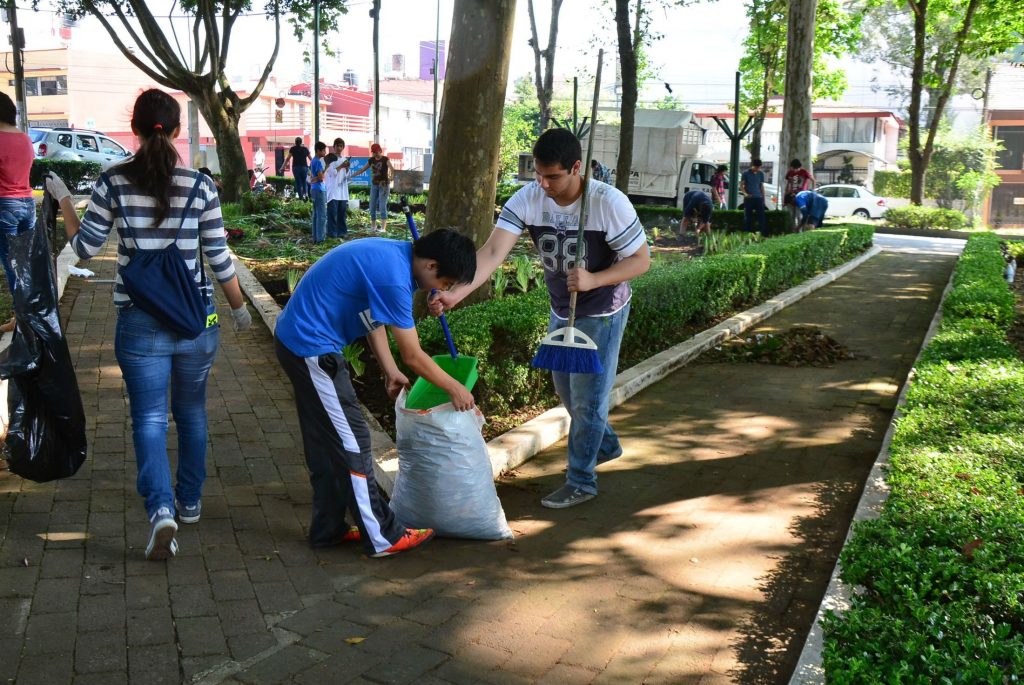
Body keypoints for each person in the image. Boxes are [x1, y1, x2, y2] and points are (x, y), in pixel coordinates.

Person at [46, 89, 253, 561]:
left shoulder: (113, 181)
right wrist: (239, 310)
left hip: (139, 321)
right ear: (176, 130)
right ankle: (191, 501)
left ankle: (161, 510)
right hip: (196, 321)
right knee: (192, 412)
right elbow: (219, 258)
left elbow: (84, 248)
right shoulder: (201, 186)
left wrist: (64, 201)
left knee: (149, 419)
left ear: (135, 129)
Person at [434, 128, 651, 509]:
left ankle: (581, 481)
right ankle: (605, 444)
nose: (544, 184)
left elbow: (641, 261)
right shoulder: (530, 198)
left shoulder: (607, 203)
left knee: (588, 401)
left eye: (553, 176)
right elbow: (492, 252)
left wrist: (594, 279)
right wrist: (456, 292)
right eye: (538, 174)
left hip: (604, 310)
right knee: (567, 392)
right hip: (561, 307)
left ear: (577, 168)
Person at [274, 229, 477, 556]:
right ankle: (383, 536)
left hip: (298, 341)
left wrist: (389, 369)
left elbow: (373, 318)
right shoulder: (394, 279)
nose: (442, 290)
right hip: (312, 349)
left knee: (326, 443)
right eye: (445, 282)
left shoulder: (395, 257)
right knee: (354, 442)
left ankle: (328, 529)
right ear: (431, 265)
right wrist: (455, 387)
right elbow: (414, 355)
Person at [0, 92, 36, 332]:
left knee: (12, 265)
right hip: (27, 204)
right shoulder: (25, 139)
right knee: (24, 263)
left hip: (5, 206)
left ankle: (23, 321)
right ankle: (25, 316)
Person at [352, 143, 394, 232]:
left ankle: (383, 228)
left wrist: (391, 178)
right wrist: (352, 175)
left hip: (384, 185)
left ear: (380, 151)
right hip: (374, 184)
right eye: (373, 152)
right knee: (372, 205)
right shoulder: (371, 160)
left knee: (382, 206)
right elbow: (362, 169)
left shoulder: (385, 159)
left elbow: (392, 169)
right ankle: (373, 226)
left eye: (376, 152)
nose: (375, 154)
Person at [326, 138, 351, 239]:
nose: (339, 148)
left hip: (343, 192)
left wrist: (347, 168)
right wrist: (342, 166)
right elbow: (332, 173)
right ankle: (332, 234)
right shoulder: (329, 159)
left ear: (343, 147)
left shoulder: (344, 159)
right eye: (337, 146)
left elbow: (347, 176)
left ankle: (342, 232)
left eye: (341, 146)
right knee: (332, 214)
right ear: (334, 147)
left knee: (342, 214)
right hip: (333, 191)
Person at [784, 159, 815, 229]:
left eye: (796, 168)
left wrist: (813, 191)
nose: (794, 170)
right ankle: (793, 229)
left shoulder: (804, 172)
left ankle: (801, 230)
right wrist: (785, 195)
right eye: (793, 168)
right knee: (791, 215)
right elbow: (788, 184)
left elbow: (813, 180)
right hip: (791, 196)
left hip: (801, 196)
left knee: (799, 215)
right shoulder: (790, 173)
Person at [740, 158, 767, 236]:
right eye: (756, 167)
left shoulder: (761, 174)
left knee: (761, 217)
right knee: (748, 217)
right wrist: (746, 194)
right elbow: (741, 185)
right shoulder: (745, 173)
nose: (758, 169)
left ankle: (761, 234)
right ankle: (748, 234)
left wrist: (763, 198)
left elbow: (761, 186)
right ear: (753, 166)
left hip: (758, 198)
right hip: (749, 199)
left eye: (759, 167)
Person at [309, 141, 327, 243]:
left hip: (314, 189)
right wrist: (326, 169)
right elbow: (321, 177)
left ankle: (315, 237)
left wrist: (313, 179)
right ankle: (320, 239)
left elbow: (314, 178)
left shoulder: (313, 161)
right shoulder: (318, 162)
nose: (325, 152)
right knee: (322, 215)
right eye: (323, 150)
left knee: (316, 214)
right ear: (318, 151)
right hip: (320, 189)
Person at [286, 136, 312, 201]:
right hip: (304, 167)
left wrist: (282, 167)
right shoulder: (305, 149)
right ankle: (306, 195)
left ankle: (301, 197)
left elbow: (288, 158)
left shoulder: (292, 149)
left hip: (295, 167)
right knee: (304, 181)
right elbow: (311, 159)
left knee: (298, 182)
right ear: (301, 142)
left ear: (295, 142)